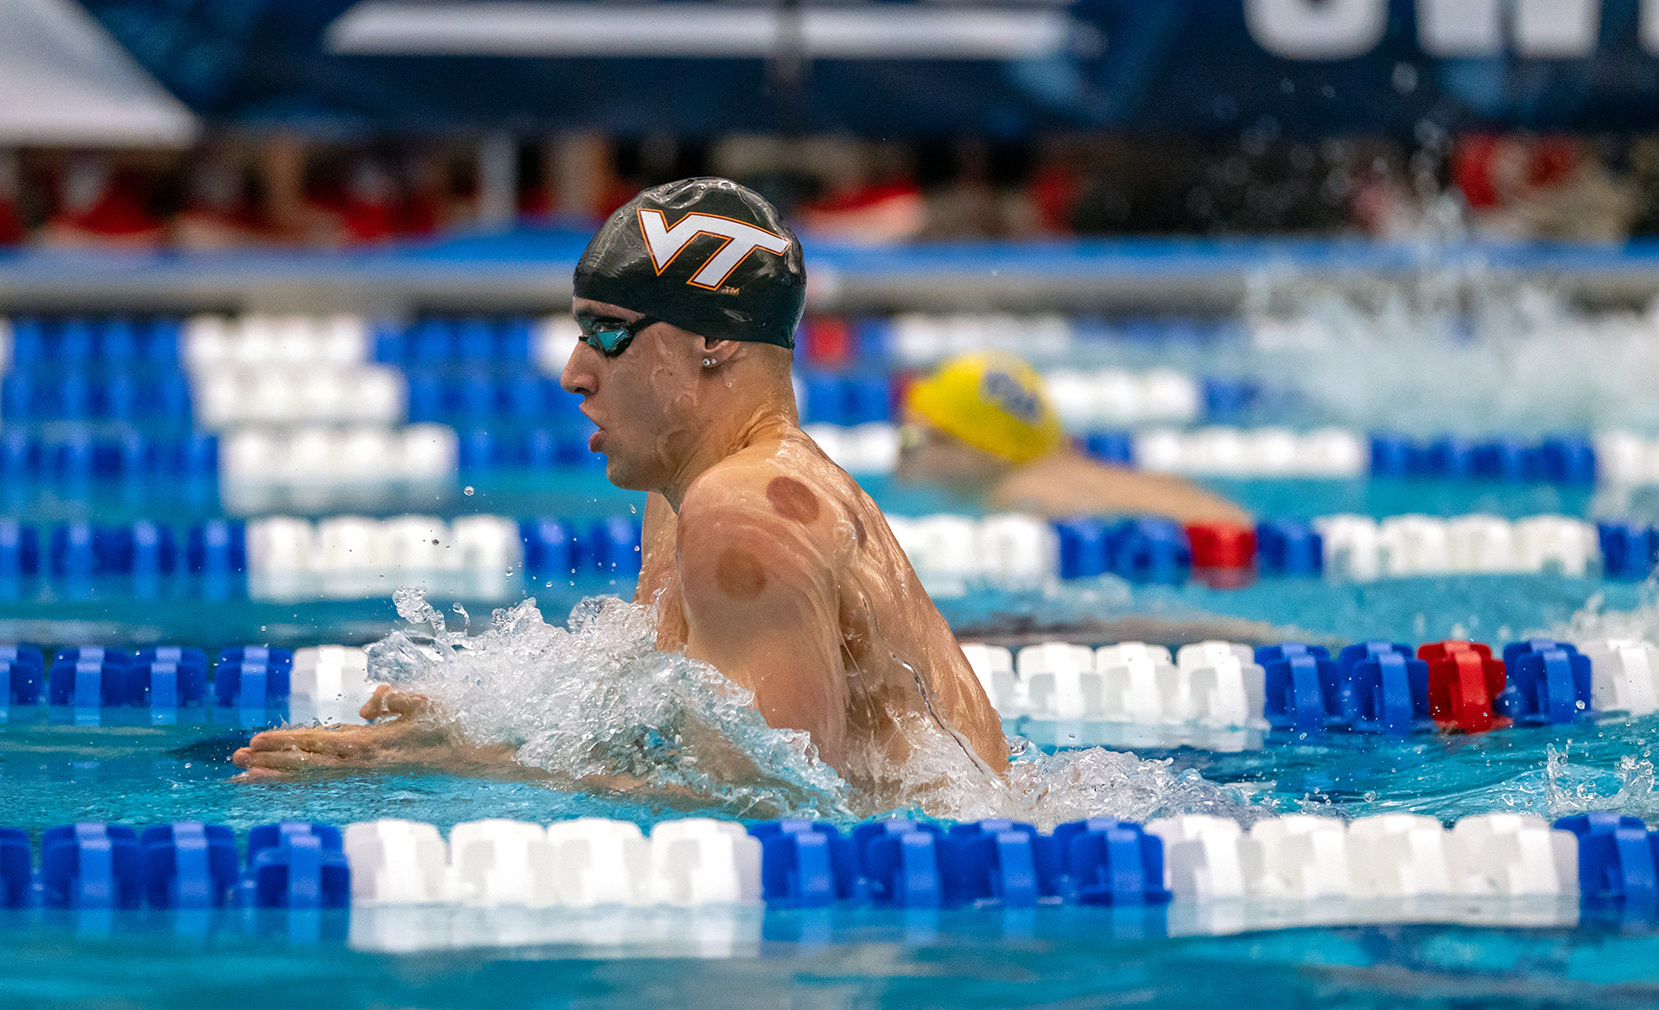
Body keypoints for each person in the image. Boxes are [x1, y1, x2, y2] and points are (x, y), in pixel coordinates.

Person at [233, 177, 1008, 799]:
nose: (574, 372)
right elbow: (683, 733)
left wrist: (479, 762)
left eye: (607, 332)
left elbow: (786, 803)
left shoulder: (742, 512)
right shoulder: (690, 494)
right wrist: (506, 726)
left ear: (711, 340)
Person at [895, 351, 1250, 523]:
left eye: (915, 439)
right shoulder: (1077, 470)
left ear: (989, 453)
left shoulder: (1020, 496)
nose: (901, 455)